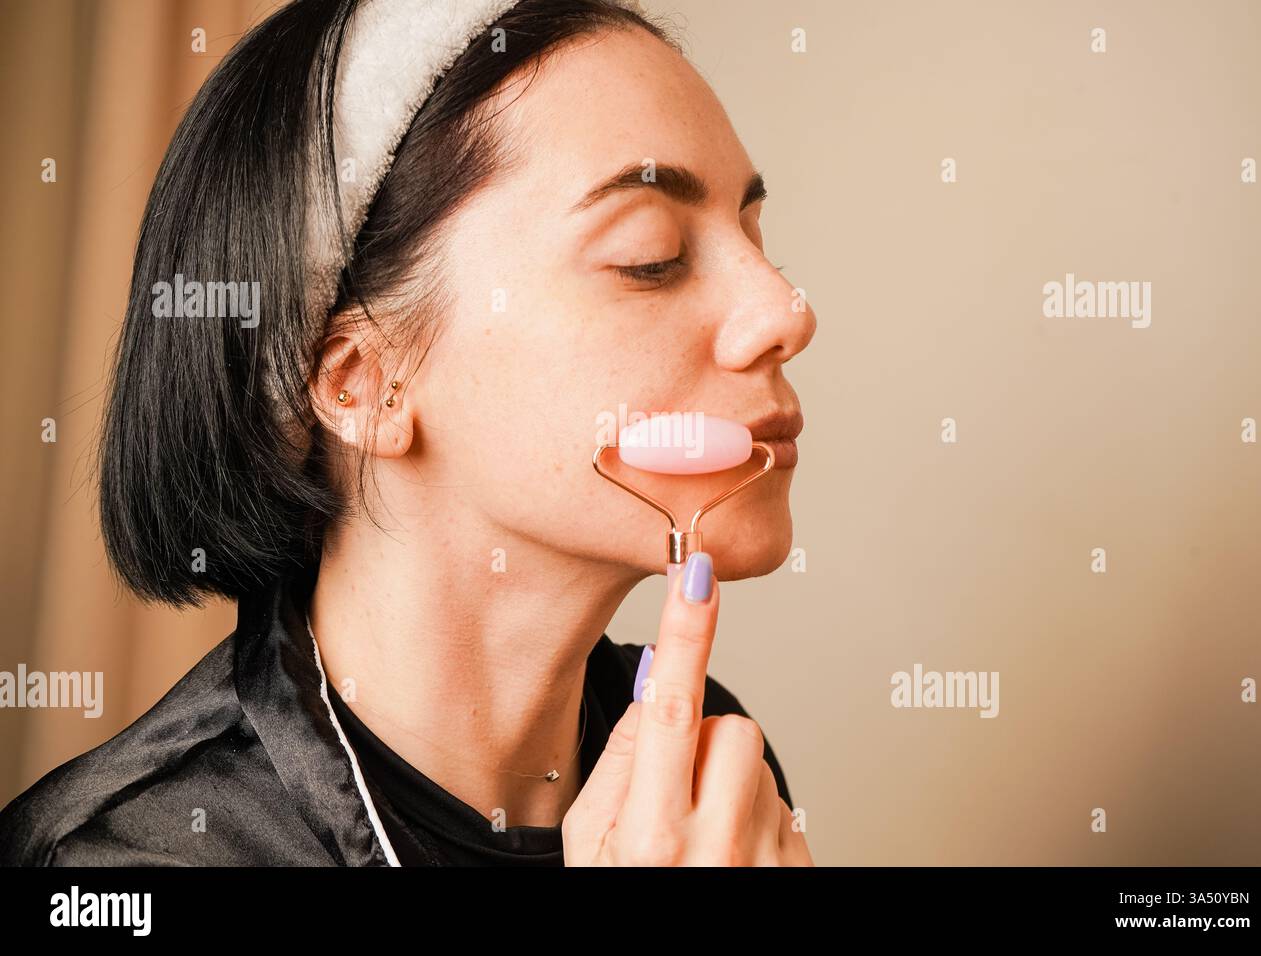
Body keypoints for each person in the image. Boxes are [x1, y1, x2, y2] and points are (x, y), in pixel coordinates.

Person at [0, 0, 816, 866]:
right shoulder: (127, 864)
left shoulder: (710, 783)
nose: (784, 313)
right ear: (362, 384)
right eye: (651, 257)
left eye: (756, 239)